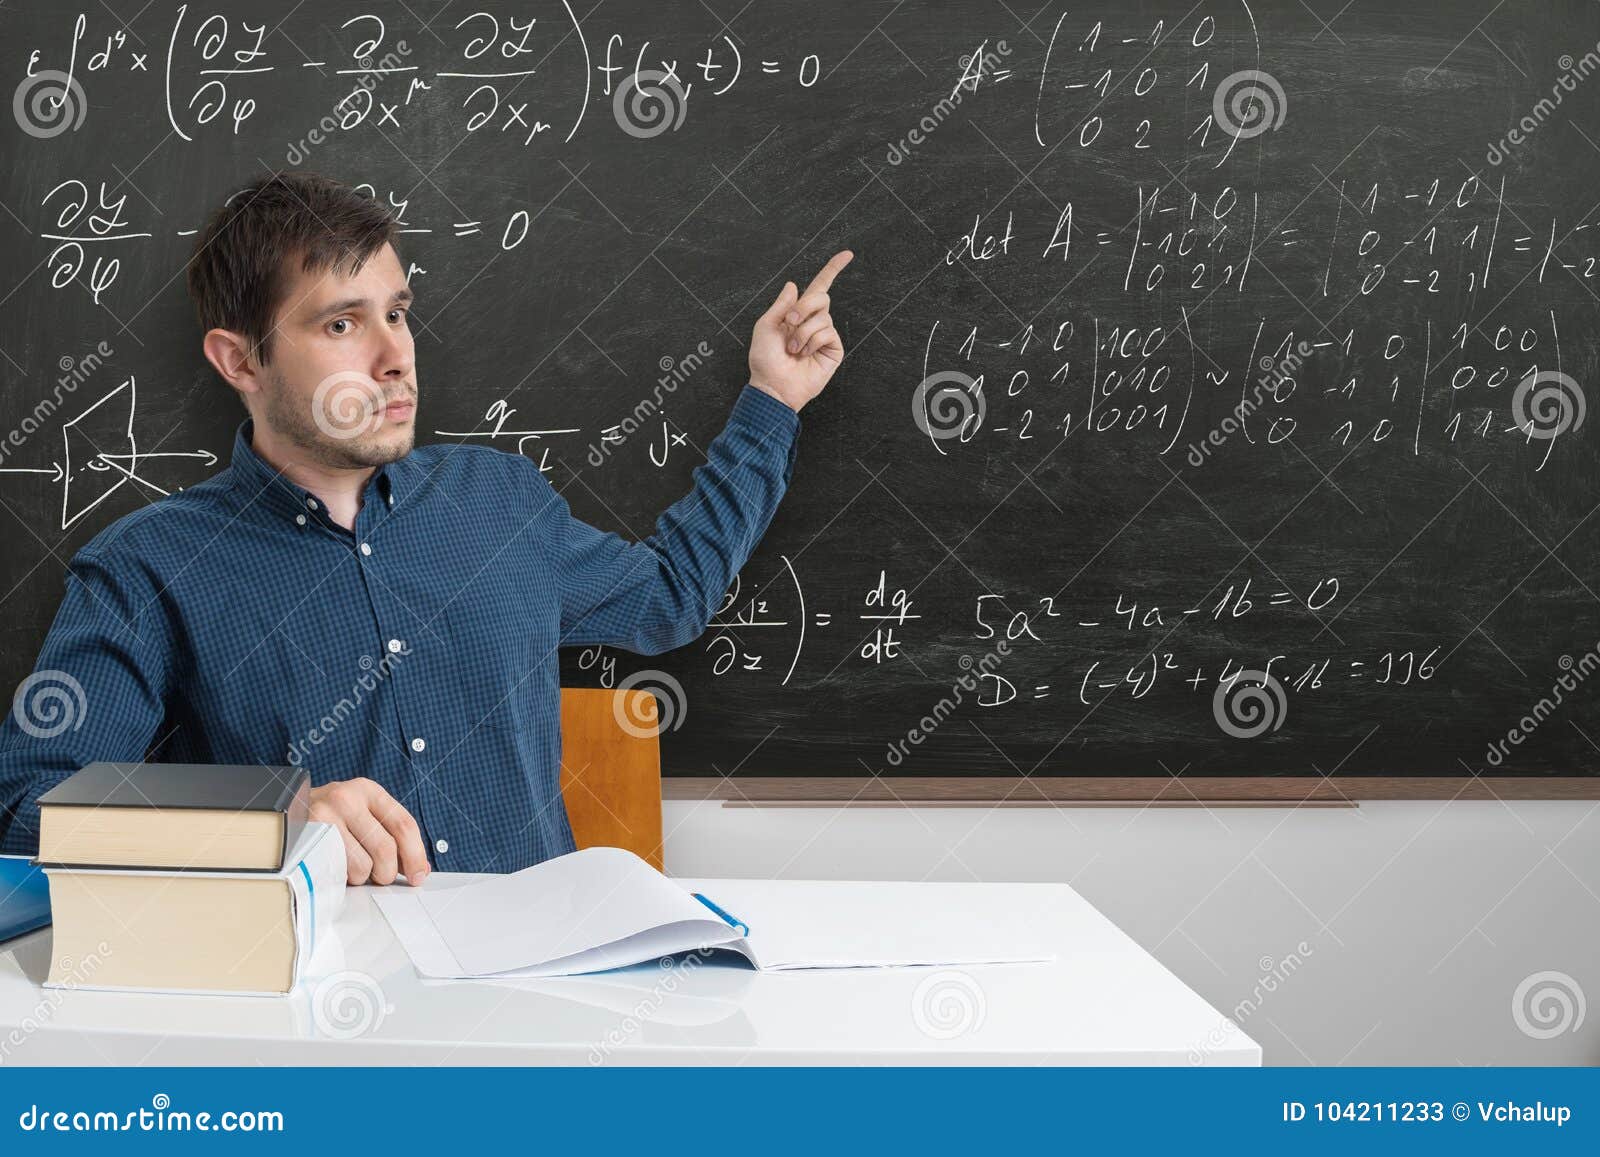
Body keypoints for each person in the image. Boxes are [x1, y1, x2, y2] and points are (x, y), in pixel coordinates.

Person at [0, 172, 852, 885]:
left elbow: (670, 595)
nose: (394, 353)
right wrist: (274, 816)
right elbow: (26, 814)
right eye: (341, 323)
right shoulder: (148, 567)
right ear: (240, 359)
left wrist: (772, 401)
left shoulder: (498, 501)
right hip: (321, 1010)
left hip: (542, 995)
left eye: (397, 312)